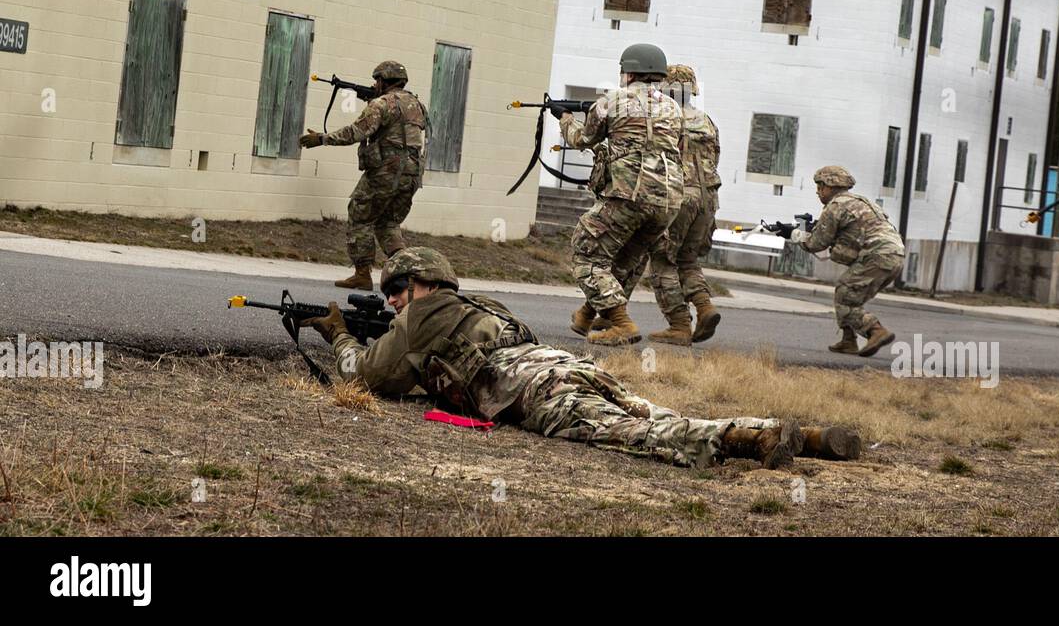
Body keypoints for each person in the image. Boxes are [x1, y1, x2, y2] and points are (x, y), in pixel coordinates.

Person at [301, 247, 863, 468]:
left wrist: (339, 336)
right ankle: (800, 435)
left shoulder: (418, 316)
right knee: (648, 414)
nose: (393, 302)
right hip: (560, 363)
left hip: (530, 387)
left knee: (632, 436)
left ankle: (753, 439)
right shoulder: (478, 304)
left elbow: (368, 378)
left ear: (419, 283)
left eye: (396, 290)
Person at [558, 44, 684, 346]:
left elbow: (582, 138)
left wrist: (563, 118)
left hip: (629, 195)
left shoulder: (610, 103)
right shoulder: (674, 108)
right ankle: (587, 316)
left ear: (628, 71)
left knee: (586, 253)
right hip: (668, 201)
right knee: (623, 259)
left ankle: (622, 324)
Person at [299, 61, 428, 291]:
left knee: (360, 216)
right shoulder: (416, 104)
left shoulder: (382, 103)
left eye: (376, 80)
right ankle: (406, 275)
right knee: (388, 223)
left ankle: (362, 274)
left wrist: (322, 138)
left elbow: (356, 132)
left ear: (382, 81)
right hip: (411, 174)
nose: (373, 84)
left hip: (386, 171)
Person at [771, 165, 904, 357]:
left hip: (877, 255)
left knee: (844, 293)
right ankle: (848, 341)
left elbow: (816, 243)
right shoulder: (862, 202)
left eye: (820, 187)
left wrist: (792, 234)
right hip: (895, 255)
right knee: (850, 296)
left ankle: (876, 331)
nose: (818, 192)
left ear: (831, 186)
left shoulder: (835, 206)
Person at [645, 64, 724, 345]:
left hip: (679, 196)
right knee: (687, 259)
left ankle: (679, 325)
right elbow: (715, 158)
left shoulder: (665, 118)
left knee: (663, 259)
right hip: (708, 198)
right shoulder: (706, 121)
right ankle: (705, 307)